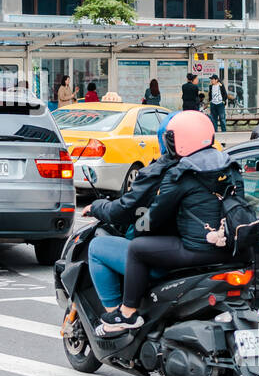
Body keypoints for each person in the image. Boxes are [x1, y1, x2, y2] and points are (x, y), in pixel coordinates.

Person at [101, 112, 240, 333]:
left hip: (197, 250)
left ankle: (127, 313)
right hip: (231, 250)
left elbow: (154, 218)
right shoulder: (229, 166)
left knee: (137, 249)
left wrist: (138, 228)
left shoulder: (181, 174)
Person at [79, 113, 179, 313]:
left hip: (167, 258)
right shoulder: (217, 168)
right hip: (204, 256)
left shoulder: (163, 173)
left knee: (96, 247)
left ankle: (118, 316)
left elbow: (126, 209)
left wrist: (97, 207)